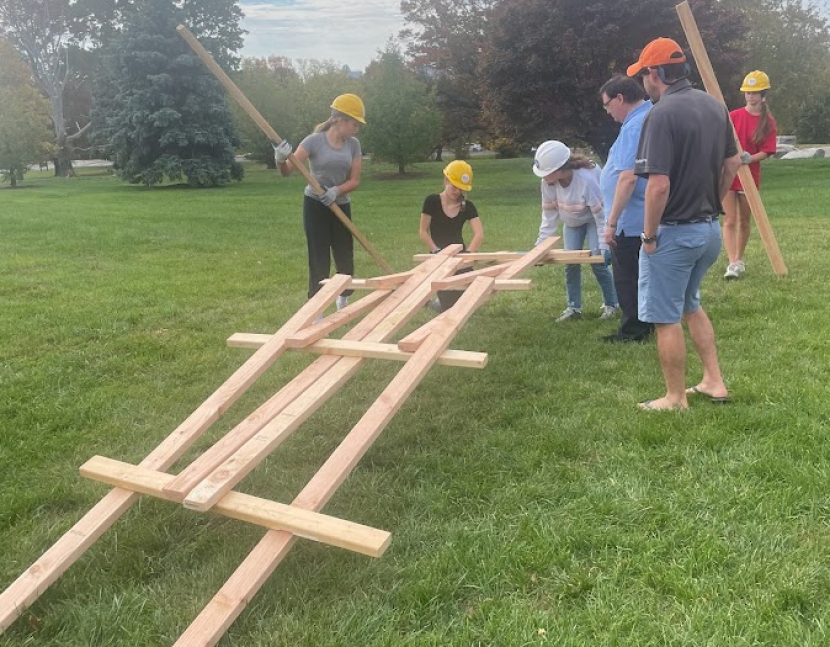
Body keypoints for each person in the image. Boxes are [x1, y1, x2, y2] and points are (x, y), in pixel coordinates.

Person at [627, 37, 741, 410]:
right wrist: (713, 199)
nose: (643, 80)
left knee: (665, 316)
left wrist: (648, 236)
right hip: (708, 229)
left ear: (655, 73)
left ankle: (675, 397)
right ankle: (714, 382)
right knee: (690, 303)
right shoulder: (714, 106)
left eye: (643, 72)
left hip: (673, 233)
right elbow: (733, 163)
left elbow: (658, 185)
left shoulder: (660, 114)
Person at [273, 93, 366, 308]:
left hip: (340, 204)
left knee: (344, 255)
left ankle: (343, 301)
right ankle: (317, 310)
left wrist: (336, 190)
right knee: (319, 256)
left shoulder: (353, 145)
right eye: (354, 123)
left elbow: (355, 181)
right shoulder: (313, 141)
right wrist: (280, 158)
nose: (357, 129)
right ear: (338, 119)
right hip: (315, 205)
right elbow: (287, 171)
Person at [532, 141, 618, 322]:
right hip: (571, 221)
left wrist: (604, 245)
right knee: (570, 262)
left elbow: (602, 217)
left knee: (598, 260)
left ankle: (611, 305)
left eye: (546, 172)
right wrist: (539, 249)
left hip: (593, 219)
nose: (543, 176)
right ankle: (574, 308)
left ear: (559, 169)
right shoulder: (547, 184)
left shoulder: (585, 180)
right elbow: (548, 217)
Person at [599, 74, 655, 342]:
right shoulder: (648, 117)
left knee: (628, 276)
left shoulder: (635, 126)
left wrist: (611, 222)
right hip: (642, 216)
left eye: (607, 105)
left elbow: (628, 176)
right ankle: (646, 322)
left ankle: (635, 328)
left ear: (620, 98)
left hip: (631, 220)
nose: (608, 112)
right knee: (640, 274)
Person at [723, 70, 777, 279]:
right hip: (730, 173)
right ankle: (732, 262)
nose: (750, 96)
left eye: (755, 93)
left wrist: (750, 158)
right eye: (748, 92)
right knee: (729, 219)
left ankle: (739, 257)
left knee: (744, 221)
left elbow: (768, 150)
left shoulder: (768, 122)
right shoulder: (734, 116)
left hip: (749, 175)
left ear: (763, 95)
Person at [419, 160, 484, 311]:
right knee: (448, 307)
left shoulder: (467, 206)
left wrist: (468, 255)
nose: (456, 191)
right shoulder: (432, 201)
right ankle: (435, 304)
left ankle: (437, 302)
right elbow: (423, 231)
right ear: (445, 180)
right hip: (438, 256)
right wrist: (435, 250)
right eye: (454, 186)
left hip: (460, 257)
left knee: (468, 300)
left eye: (461, 189)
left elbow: (479, 234)